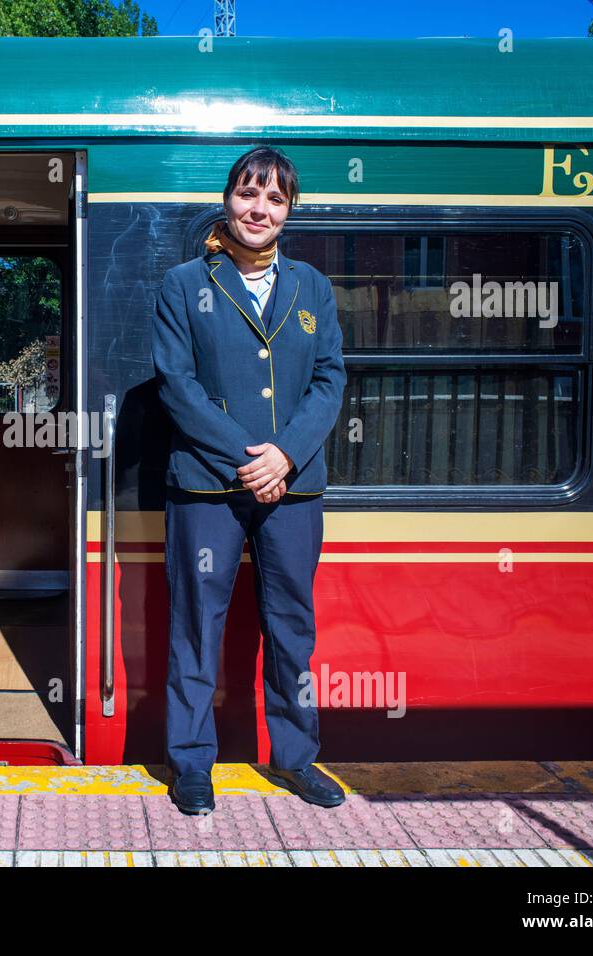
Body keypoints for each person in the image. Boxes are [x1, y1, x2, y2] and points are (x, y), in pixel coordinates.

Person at [152, 146, 347, 815]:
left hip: (295, 490)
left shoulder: (312, 287)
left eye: (274, 198)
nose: (258, 208)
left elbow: (330, 380)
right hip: (207, 487)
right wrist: (251, 456)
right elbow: (177, 388)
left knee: (293, 630)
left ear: (289, 211)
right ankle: (191, 766)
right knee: (194, 628)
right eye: (247, 193)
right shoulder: (183, 284)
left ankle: (296, 759)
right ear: (228, 199)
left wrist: (285, 456)